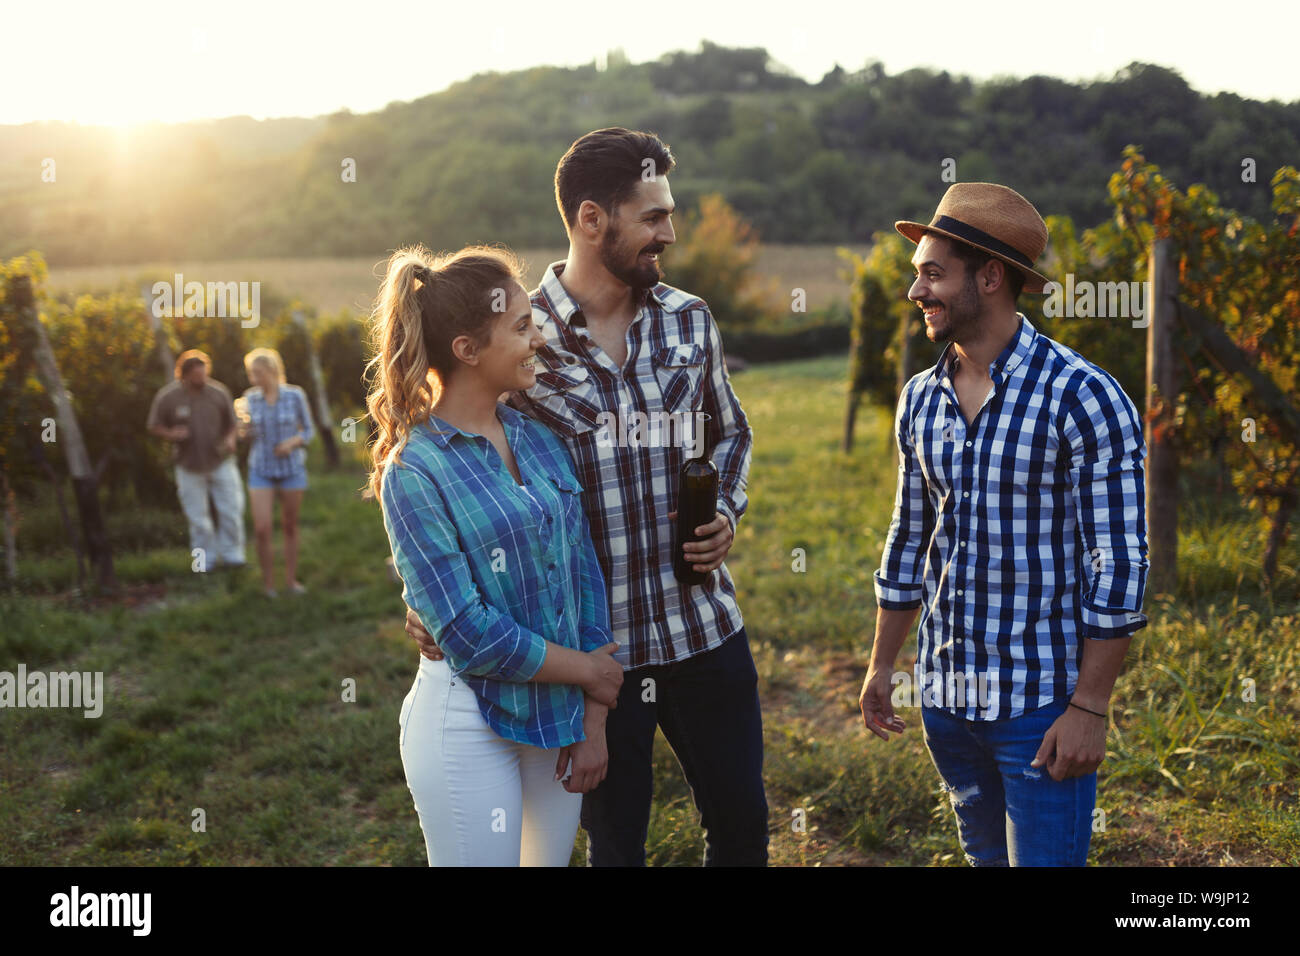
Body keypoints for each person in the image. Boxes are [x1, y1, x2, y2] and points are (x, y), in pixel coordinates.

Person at [404, 128, 768, 866]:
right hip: (591, 660)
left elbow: (730, 434)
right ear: (592, 220)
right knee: (615, 849)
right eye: (655, 217)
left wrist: (725, 510)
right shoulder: (515, 336)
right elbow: (465, 474)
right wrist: (426, 597)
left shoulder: (689, 319)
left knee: (741, 830)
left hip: (702, 631)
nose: (669, 233)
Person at [858, 182, 1150, 866]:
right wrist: (881, 664)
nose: (915, 292)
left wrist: (1089, 708)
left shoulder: (1083, 396)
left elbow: (1121, 562)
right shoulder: (920, 401)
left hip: (1039, 711)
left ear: (990, 278)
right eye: (915, 275)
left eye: (933, 274)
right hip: (948, 703)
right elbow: (908, 539)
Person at [369, 243, 624, 867]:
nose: (537, 339)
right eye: (520, 327)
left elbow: (584, 577)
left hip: (557, 722)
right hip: (466, 723)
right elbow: (464, 630)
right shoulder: (414, 471)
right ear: (467, 350)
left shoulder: (538, 440)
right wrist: (590, 673)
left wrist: (593, 718)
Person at [146, 349, 245, 572]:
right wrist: (171, 434)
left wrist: (231, 439)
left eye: (205, 373)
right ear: (185, 375)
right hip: (188, 464)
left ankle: (233, 556)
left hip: (220, 461)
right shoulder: (168, 397)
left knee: (231, 510)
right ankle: (203, 562)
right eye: (197, 375)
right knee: (198, 519)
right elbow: (153, 425)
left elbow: (232, 424)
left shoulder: (219, 392)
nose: (202, 379)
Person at [237, 348, 314, 598]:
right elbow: (243, 433)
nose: (254, 379)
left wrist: (293, 442)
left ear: (272, 370)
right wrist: (243, 431)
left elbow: (309, 431)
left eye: (258, 373)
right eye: (251, 374)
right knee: (262, 528)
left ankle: (290, 581)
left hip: (291, 469)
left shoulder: (295, 395)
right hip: (260, 468)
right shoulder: (249, 398)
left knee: (289, 525)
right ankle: (268, 584)